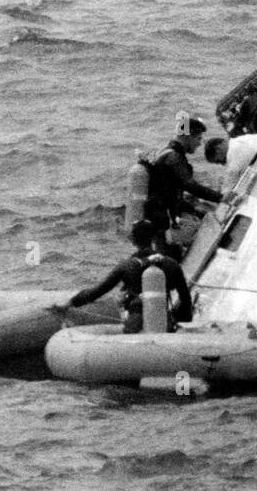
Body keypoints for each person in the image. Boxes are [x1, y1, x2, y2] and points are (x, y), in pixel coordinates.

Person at [58, 219, 193, 333]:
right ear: (153, 238)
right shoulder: (171, 264)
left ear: (133, 240)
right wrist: (179, 319)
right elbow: (186, 300)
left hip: (135, 323)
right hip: (163, 322)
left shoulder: (127, 266)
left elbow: (96, 292)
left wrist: (70, 303)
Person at [139, 115, 222, 244]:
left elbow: (171, 195)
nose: (200, 143)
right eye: (198, 138)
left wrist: (196, 211)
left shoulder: (165, 152)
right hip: (164, 225)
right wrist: (222, 198)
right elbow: (191, 186)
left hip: (159, 221)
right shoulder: (174, 158)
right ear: (188, 137)